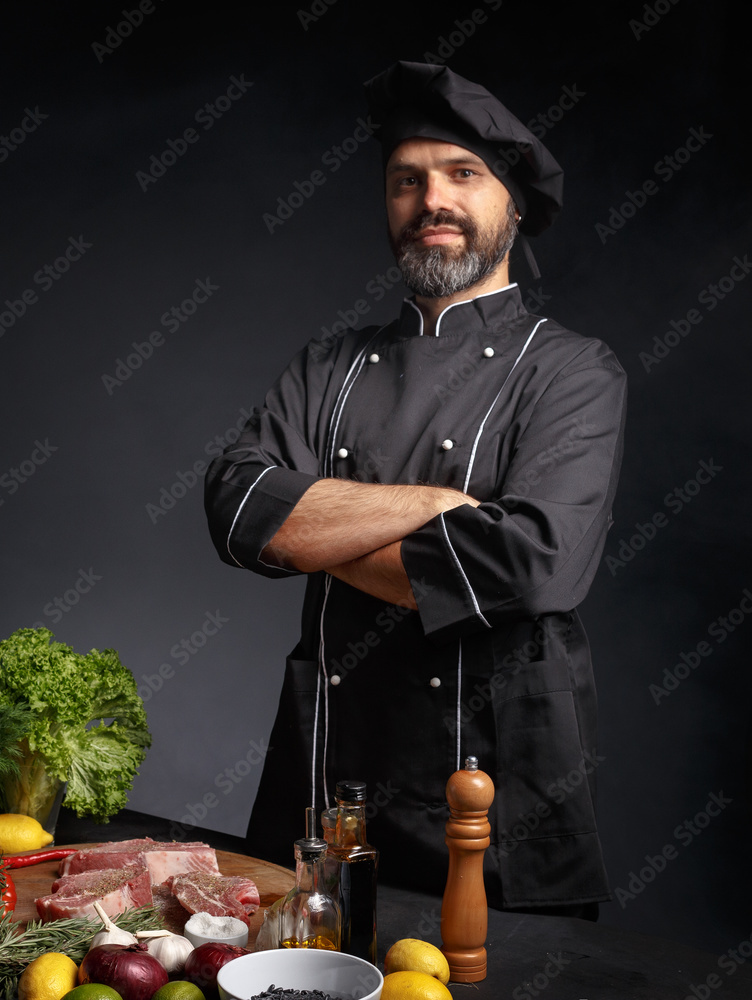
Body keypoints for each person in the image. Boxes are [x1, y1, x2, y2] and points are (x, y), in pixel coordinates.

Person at [204, 61, 626, 915]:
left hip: (494, 795)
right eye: (407, 180)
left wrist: (317, 530)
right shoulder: (329, 365)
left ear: (513, 204)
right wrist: (440, 509)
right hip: (326, 776)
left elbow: (530, 562)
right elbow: (241, 507)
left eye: (462, 174)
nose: (431, 199)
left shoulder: (574, 370)